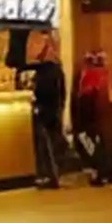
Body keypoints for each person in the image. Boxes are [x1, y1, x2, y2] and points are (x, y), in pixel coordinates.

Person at [72, 50, 112, 187]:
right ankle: (108, 171)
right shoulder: (102, 76)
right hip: (99, 120)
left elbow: (84, 100)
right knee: (101, 145)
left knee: (91, 146)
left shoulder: (88, 77)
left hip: (89, 120)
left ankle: (101, 172)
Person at [30, 46, 67, 190]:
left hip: (46, 111)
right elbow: (61, 93)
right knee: (52, 143)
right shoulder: (57, 72)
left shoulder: (45, 73)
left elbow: (43, 92)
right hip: (55, 111)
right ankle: (54, 175)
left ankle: (50, 176)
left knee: (45, 146)